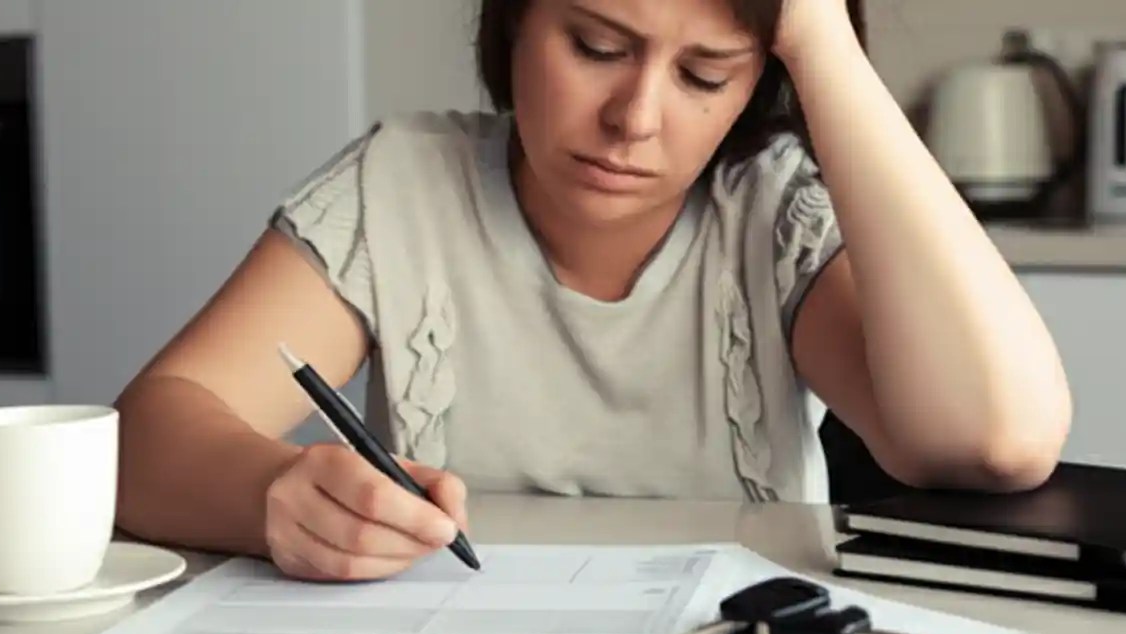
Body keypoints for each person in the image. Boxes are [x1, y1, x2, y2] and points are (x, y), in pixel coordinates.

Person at [112, 0, 1072, 582]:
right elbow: (142, 440)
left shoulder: (772, 217)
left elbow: (998, 439)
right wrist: (272, 494)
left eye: (705, 74)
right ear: (514, 22)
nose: (635, 119)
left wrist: (823, 41)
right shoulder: (400, 187)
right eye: (598, 46)